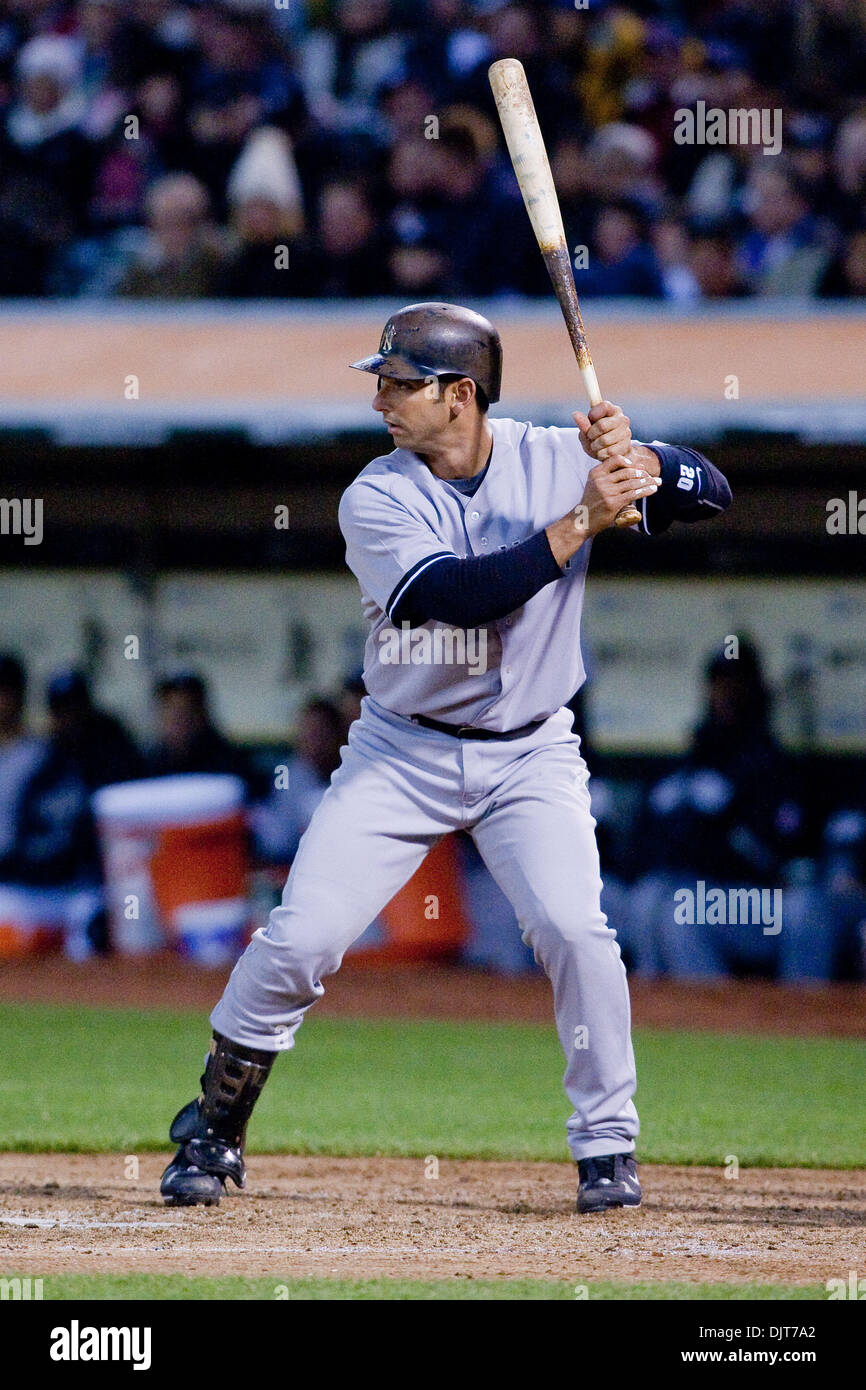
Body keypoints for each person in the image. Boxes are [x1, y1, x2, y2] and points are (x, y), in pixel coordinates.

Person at [159, 301, 731, 1214]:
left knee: (578, 933)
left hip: (530, 754)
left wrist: (649, 463)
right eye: (382, 380)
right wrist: (584, 520)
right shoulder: (377, 494)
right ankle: (216, 1128)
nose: (381, 397)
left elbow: (715, 493)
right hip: (403, 751)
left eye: (400, 382)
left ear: (461, 394)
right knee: (302, 933)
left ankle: (607, 1149)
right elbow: (456, 598)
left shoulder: (555, 456)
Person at [146, 671, 253, 793]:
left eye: (187, 709)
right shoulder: (147, 765)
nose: (179, 718)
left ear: (203, 713)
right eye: (170, 708)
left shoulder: (231, 764)